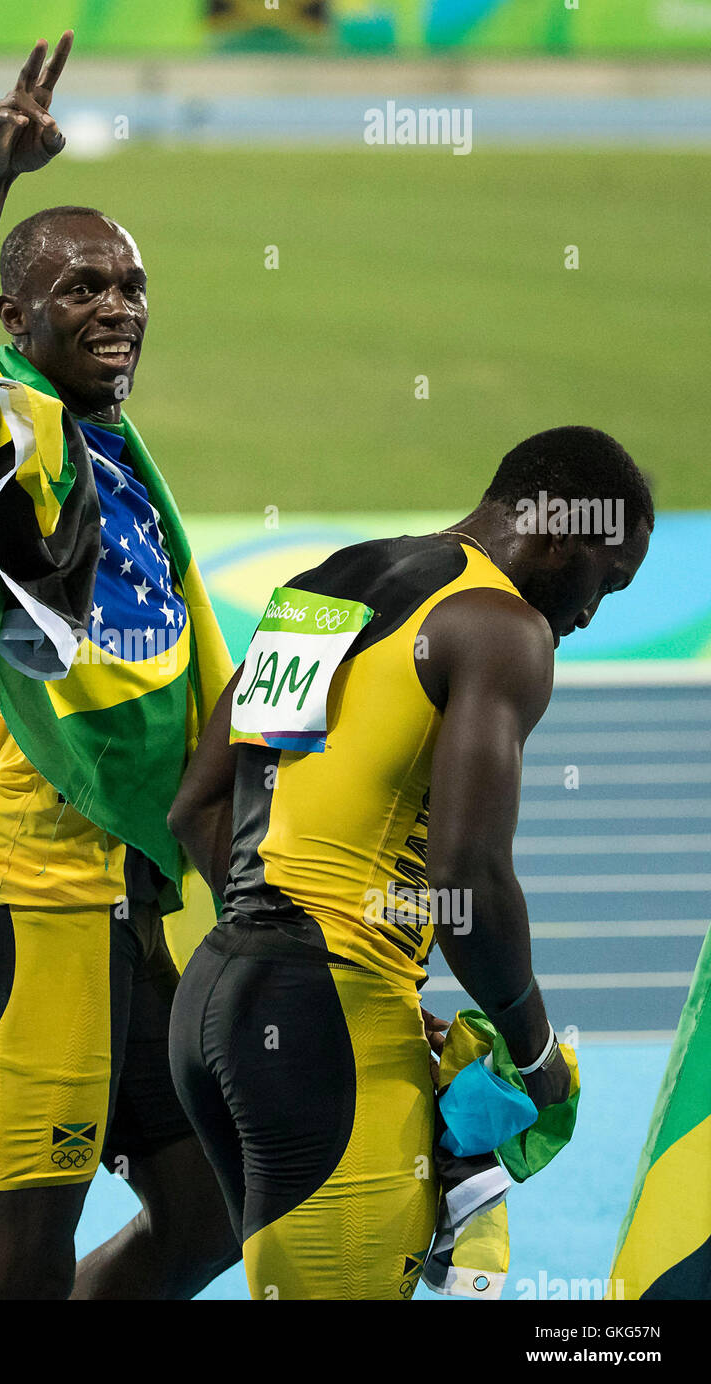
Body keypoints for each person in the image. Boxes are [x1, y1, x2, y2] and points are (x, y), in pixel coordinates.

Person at [0, 32, 238, 1298]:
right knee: (12, 1265)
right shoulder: (9, 425)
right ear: (19, 317)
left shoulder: (121, 450)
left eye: (132, 286)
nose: (116, 306)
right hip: (31, 888)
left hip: (142, 891)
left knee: (213, 1208)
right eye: (82, 287)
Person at [167, 425, 653, 1300]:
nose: (589, 615)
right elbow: (468, 874)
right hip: (321, 1022)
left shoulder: (325, 589)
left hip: (215, 1003)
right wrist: (534, 1051)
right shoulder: (502, 628)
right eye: (605, 581)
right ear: (559, 529)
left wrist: (305, 949)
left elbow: (198, 807)